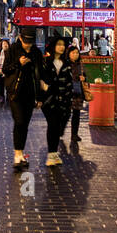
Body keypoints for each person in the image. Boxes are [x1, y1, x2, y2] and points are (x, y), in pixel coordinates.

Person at [2, 28, 43, 168]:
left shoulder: (36, 53)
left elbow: (39, 75)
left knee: (24, 124)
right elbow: (5, 69)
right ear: (20, 38)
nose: (28, 45)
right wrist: (18, 63)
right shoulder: (13, 50)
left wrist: (39, 97)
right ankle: (17, 154)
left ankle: (20, 153)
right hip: (15, 92)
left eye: (30, 42)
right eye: (26, 42)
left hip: (30, 94)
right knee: (19, 121)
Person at [39, 36, 77, 166]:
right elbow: (42, 80)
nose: (62, 47)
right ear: (53, 46)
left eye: (63, 45)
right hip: (49, 101)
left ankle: (54, 153)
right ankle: (52, 154)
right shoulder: (46, 63)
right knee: (53, 124)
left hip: (64, 101)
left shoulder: (66, 64)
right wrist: (43, 94)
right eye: (59, 44)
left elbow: (68, 83)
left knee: (58, 126)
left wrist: (68, 98)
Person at [66, 45, 92, 142]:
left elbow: (85, 76)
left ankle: (74, 134)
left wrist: (84, 78)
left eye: (77, 53)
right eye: (73, 53)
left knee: (76, 114)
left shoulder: (81, 65)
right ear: (68, 54)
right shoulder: (64, 64)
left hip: (78, 92)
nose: (75, 55)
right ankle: (60, 130)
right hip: (67, 92)